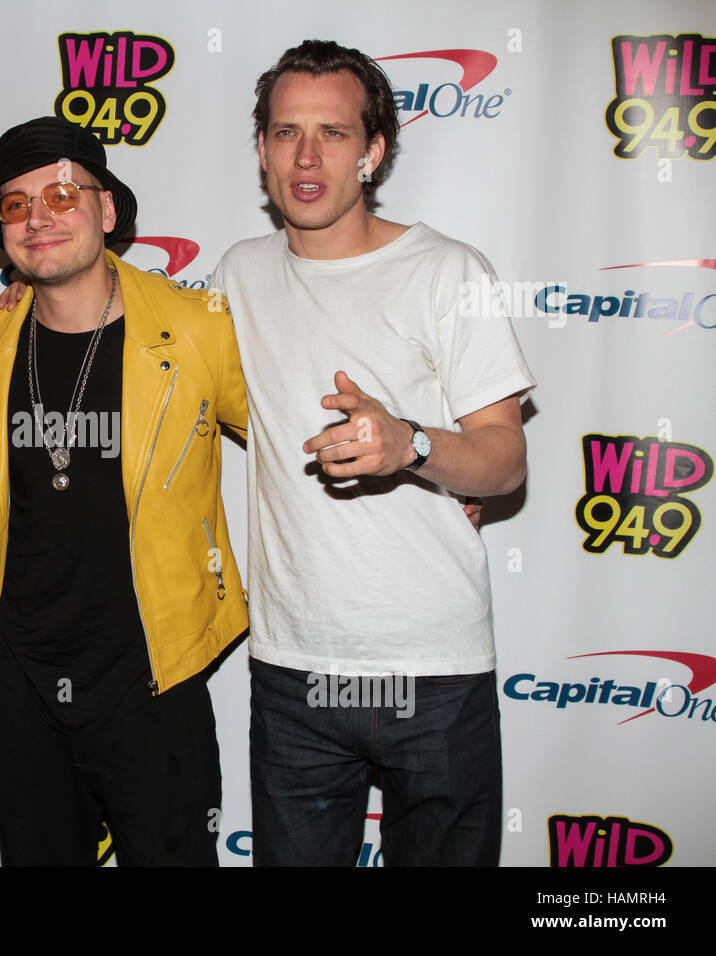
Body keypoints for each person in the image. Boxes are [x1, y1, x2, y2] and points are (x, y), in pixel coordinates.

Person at [213, 39, 536, 866]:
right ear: (261, 151)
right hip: (292, 669)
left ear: (375, 151)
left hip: (432, 668)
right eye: (286, 133)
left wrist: (413, 445)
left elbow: (504, 463)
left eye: (334, 132)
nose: (308, 155)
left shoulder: (450, 271)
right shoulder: (239, 273)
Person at [0, 116, 249, 866]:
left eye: (62, 193)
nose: (39, 217)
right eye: (16, 204)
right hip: (20, 677)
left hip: (150, 672)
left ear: (108, 210)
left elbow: (293, 446)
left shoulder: (198, 328)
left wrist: (420, 473)